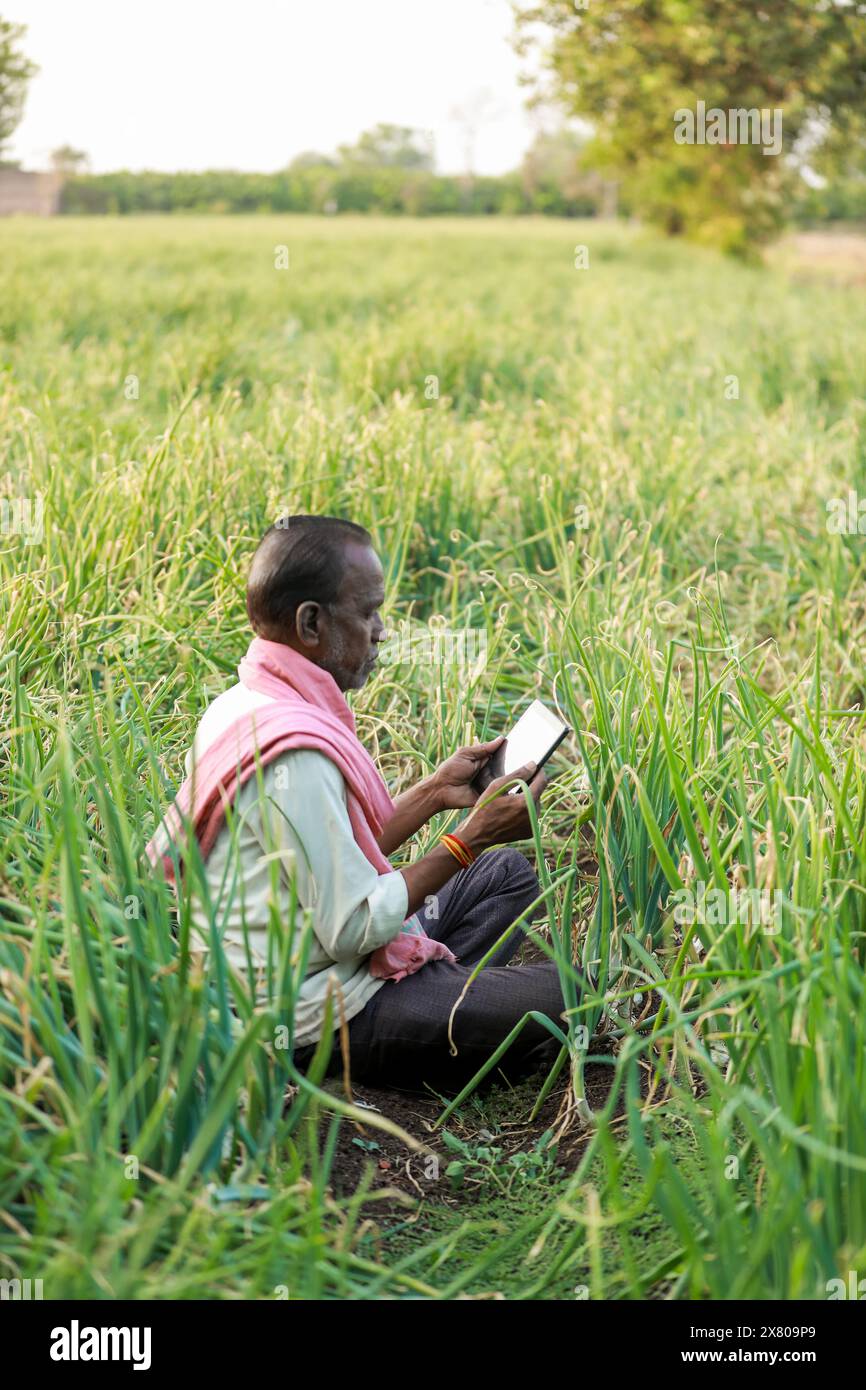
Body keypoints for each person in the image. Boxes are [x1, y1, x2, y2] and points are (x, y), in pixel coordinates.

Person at [147, 514, 572, 1093]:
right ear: (312, 622)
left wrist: (433, 793)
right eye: (368, 612)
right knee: (569, 991)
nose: (381, 630)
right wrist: (467, 838)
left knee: (505, 874)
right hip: (310, 1011)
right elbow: (352, 927)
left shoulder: (246, 702)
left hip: (313, 953)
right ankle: (434, 1040)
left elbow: (332, 855)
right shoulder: (294, 758)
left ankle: (447, 1014)